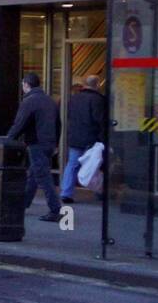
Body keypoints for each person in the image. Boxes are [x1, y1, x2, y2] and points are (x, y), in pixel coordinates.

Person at [7, 72, 62, 222]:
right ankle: (23, 203)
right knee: (33, 174)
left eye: (23, 85)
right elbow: (58, 124)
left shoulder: (29, 101)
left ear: (26, 85)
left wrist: (8, 139)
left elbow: (20, 124)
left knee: (43, 177)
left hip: (37, 143)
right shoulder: (49, 100)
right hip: (49, 144)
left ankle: (56, 209)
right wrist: (56, 143)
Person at [61, 75, 107, 203]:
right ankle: (99, 191)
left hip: (75, 137)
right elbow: (100, 120)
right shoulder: (98, 100)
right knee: (96, 166)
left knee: (72, 165)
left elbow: (70, 116)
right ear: (97, 85)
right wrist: (103, 138)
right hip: (92, 138)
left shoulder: (74, 98)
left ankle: (66, 193)